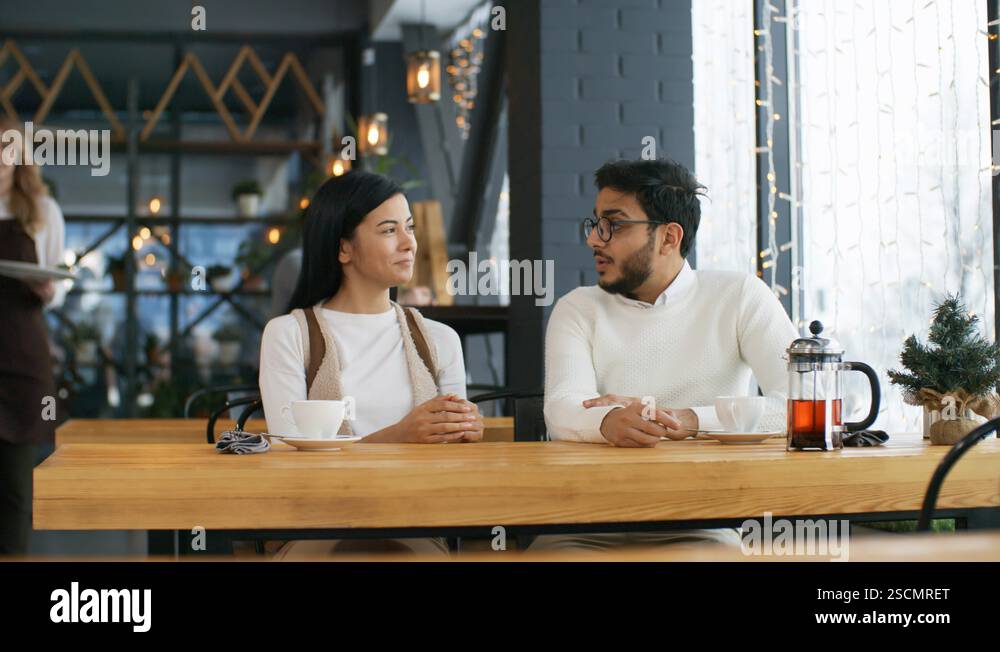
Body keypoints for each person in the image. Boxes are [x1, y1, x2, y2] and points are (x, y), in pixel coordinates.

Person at [535, 158, 798, 552]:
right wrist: (609, 421)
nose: (594, 240)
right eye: (595, 223)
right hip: (583, 523)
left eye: (614, 224)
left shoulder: (739, 296)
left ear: (669, 238)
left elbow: (803, 403)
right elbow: (561, 409)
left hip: (703, 524)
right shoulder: (577, 308)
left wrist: (690, 420)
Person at [258, 170, 483, 557]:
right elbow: (288, 459)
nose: (409, 242)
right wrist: (399, 436)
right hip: (315, 527)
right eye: (388, 230)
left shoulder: (440, 339)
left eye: (409, 227)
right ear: (344, 248)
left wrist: (462, 431)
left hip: (415, 522)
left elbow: (451, 469)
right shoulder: (289, 335)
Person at [0, 118, 67, 555]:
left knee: (14, 493)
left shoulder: (43, 211)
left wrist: (49, 289)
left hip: (20, 360)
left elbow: (58, 286)